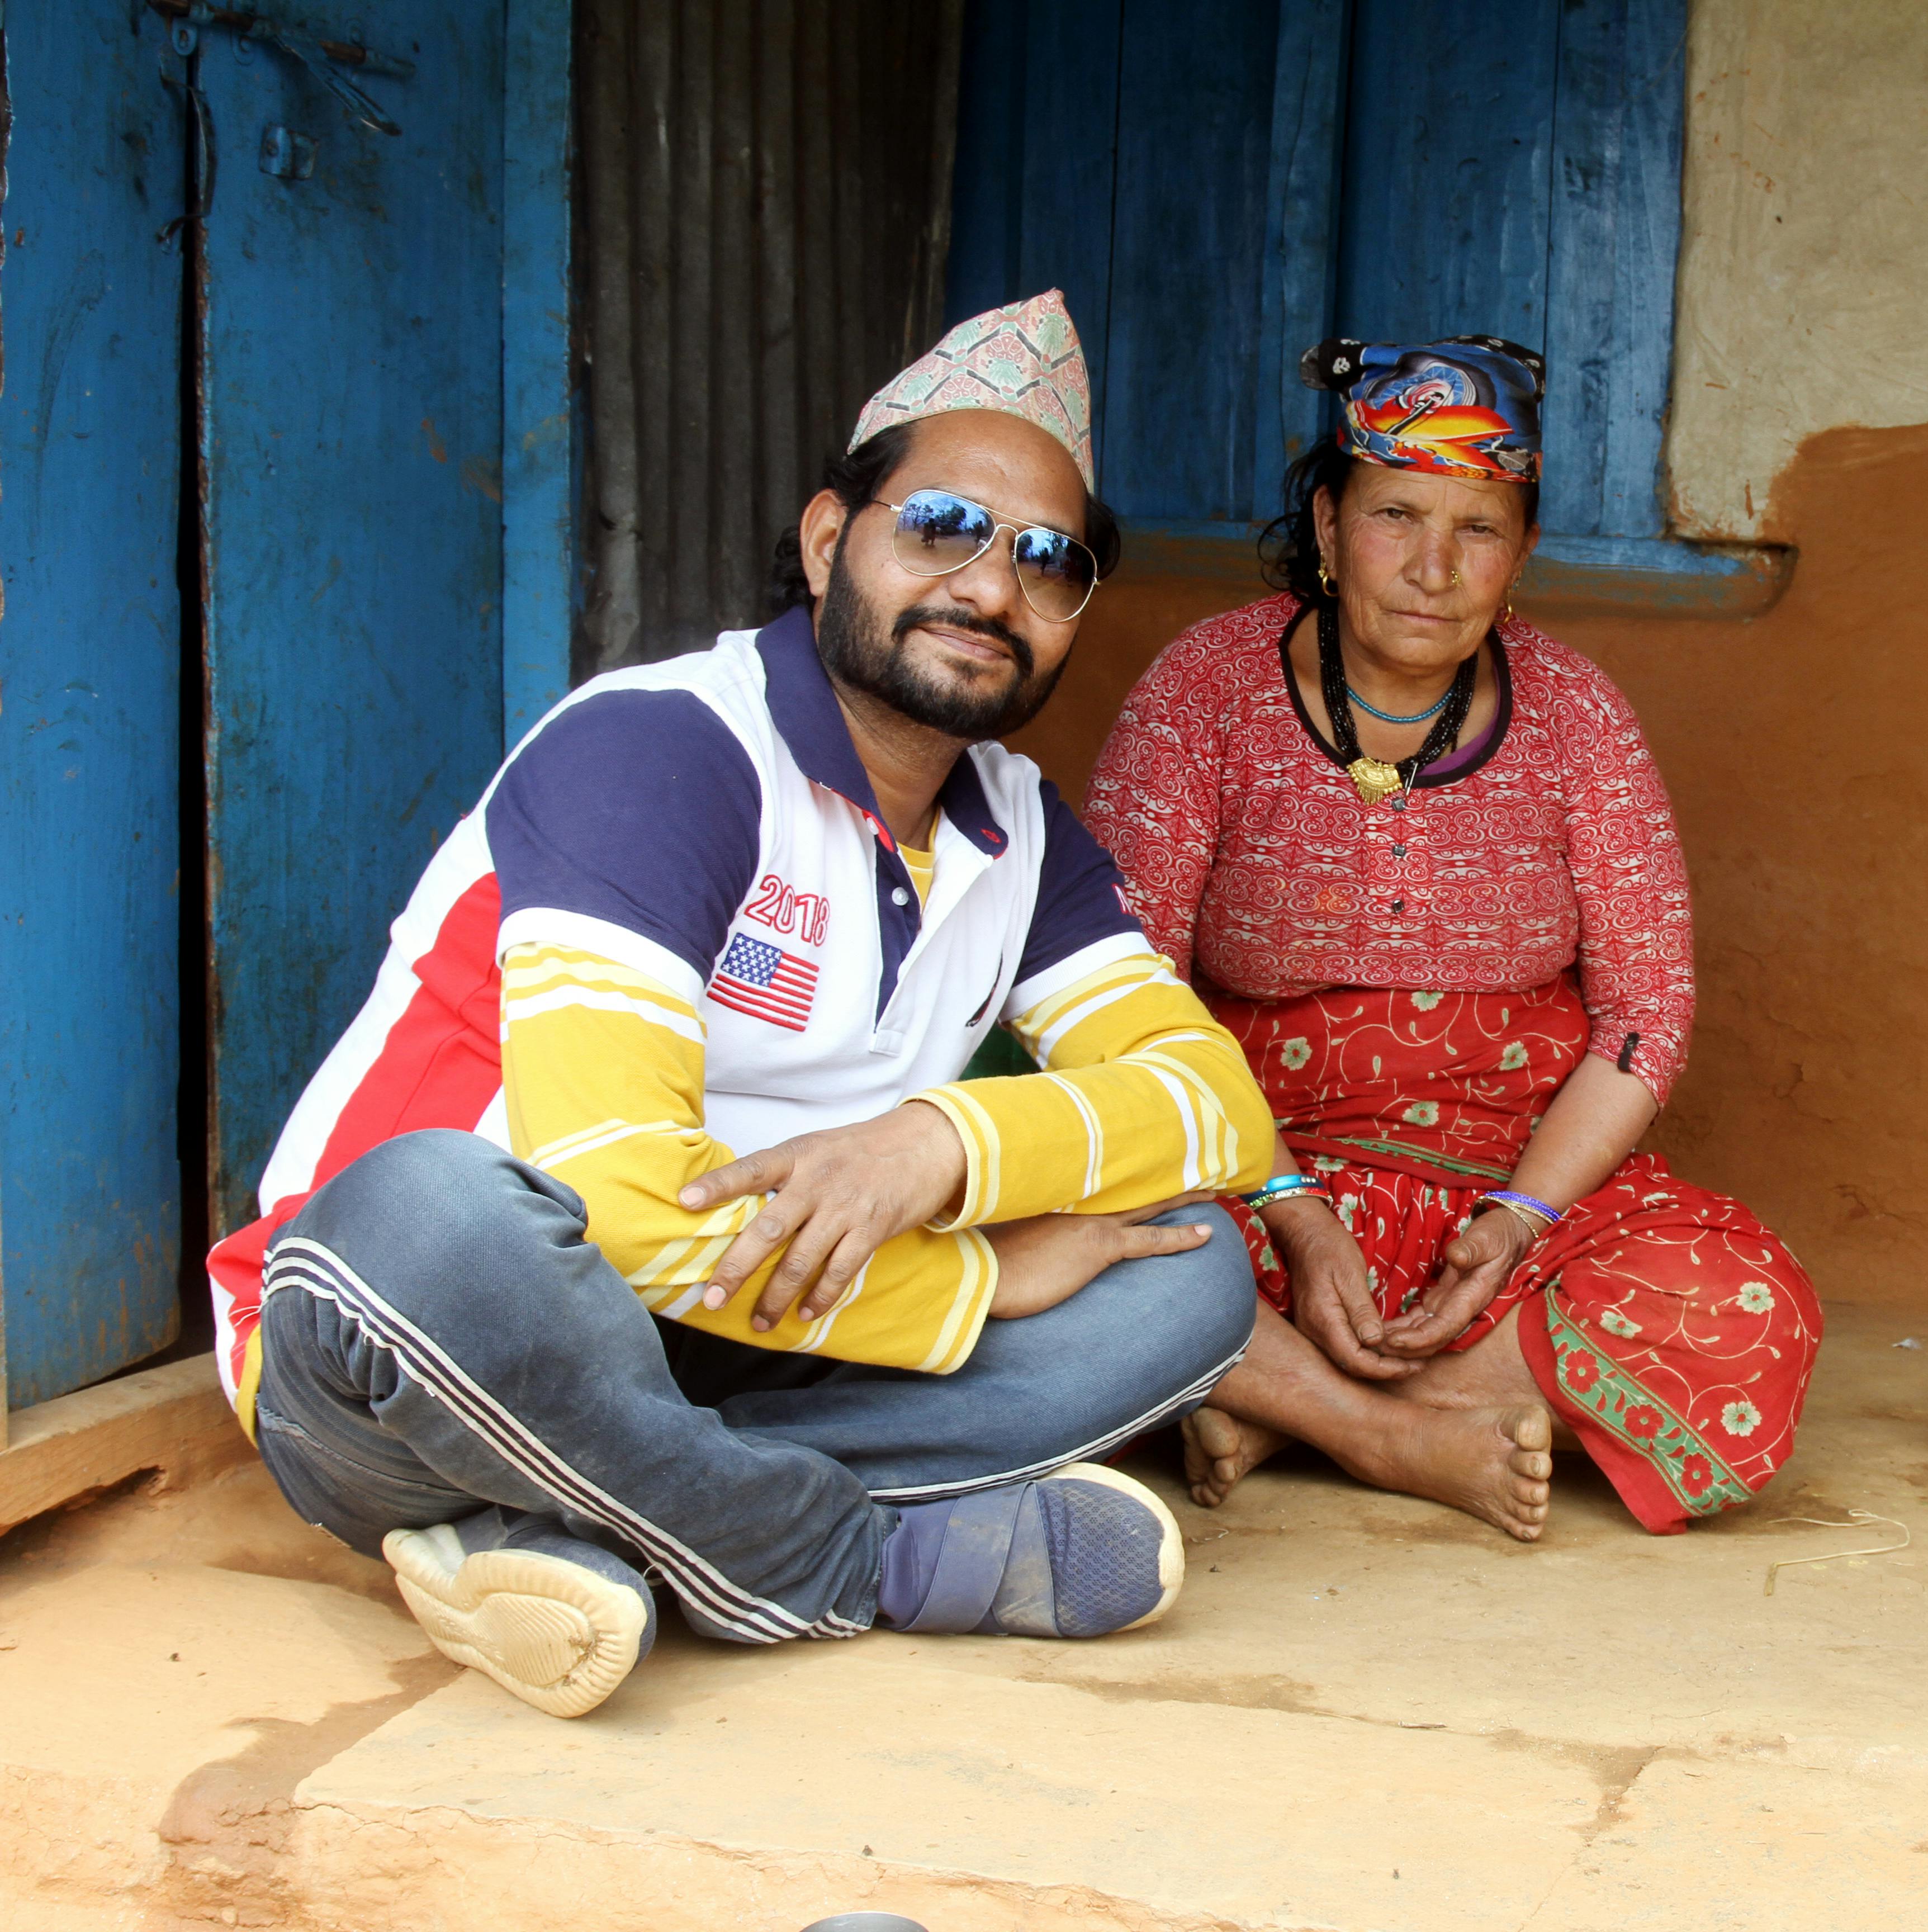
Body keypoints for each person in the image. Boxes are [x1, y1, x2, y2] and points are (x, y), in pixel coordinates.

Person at [201, 291, 1273, 1719]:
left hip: (719, 1355)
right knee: (439, 1217)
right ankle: (841, 1555)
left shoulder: (1022, 832)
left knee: (1192, 1274)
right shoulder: (663, 751)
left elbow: (1220, 1112)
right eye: (943, 527)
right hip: (417, 1337)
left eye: (1047, 562)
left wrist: (940, 1150)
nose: (991, 589)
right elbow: (621, 1203)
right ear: (833, 540)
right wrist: (977, 1278)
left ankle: (572, 1529)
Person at [1082, 334, 1822, 1542]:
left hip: (1506, 1194)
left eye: (1477, 528)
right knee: (1066, 1236)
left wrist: (1520, 1220)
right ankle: (1391, 1432)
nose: (1433, 568)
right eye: (1394, 516)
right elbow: (1115, 985)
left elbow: (1644, 1017)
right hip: (1255, 1170)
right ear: (1327, 527)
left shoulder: (1578, 714)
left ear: (1521, 551)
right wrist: (1285, 1204)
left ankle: (1295, 1405)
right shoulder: (1203, 692)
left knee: (1748, 1311)